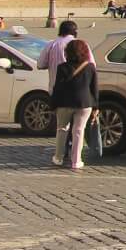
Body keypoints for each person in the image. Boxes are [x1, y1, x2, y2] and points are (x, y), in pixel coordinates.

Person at [51, 38, 97, 171]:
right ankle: (76, 160)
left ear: (67, 53)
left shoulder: (62, 68)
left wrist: (53, 105)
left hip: (65, 102)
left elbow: (57, 88)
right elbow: (94, 88)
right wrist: (96, 106)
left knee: (62, 129)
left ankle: (58, 157)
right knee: (78, 131)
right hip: (84, 103)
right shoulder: (90, 67)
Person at [39, 19, 77, 91]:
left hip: (55, 90)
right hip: (75, 90)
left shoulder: (51, 44)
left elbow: (40, 65)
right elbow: (92, 65)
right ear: (75, 32)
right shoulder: (81, 45)